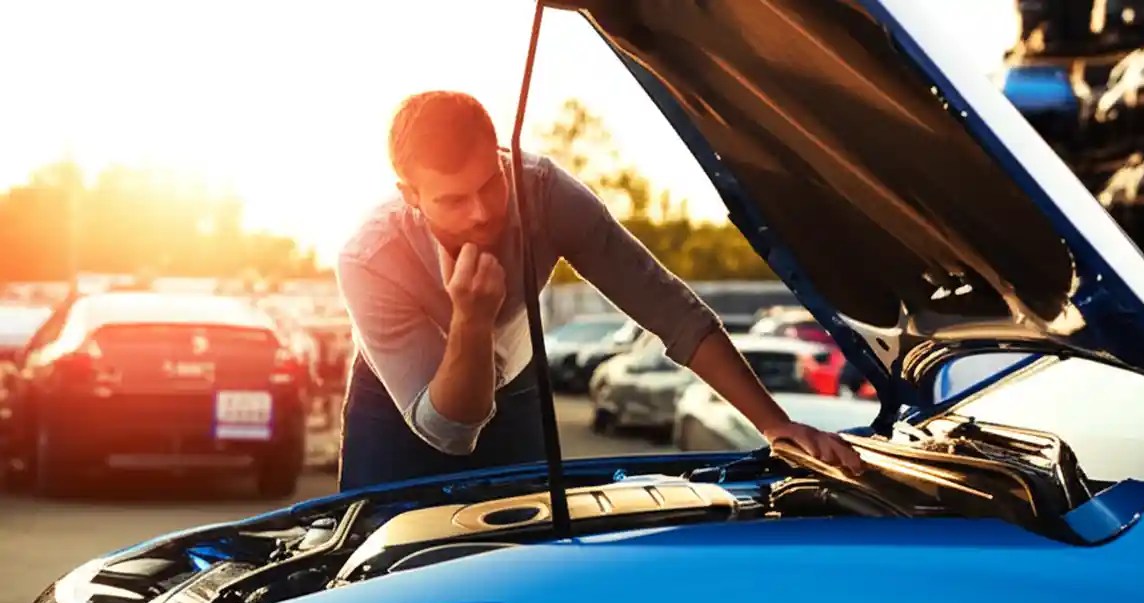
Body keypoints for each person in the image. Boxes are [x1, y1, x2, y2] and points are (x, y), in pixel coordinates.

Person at [335, 90, 864, 491]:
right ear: (410, 195)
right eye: (453, 200)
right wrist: (471, 319)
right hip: (399, 405)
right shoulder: (371, 260)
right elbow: (451, 432)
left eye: (490, 183)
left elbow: (669, 309)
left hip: (517, 385)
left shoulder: (544, 193)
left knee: (529, 560)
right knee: (369, 572)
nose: (480, 213)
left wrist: (775, 425)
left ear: (500, 151)